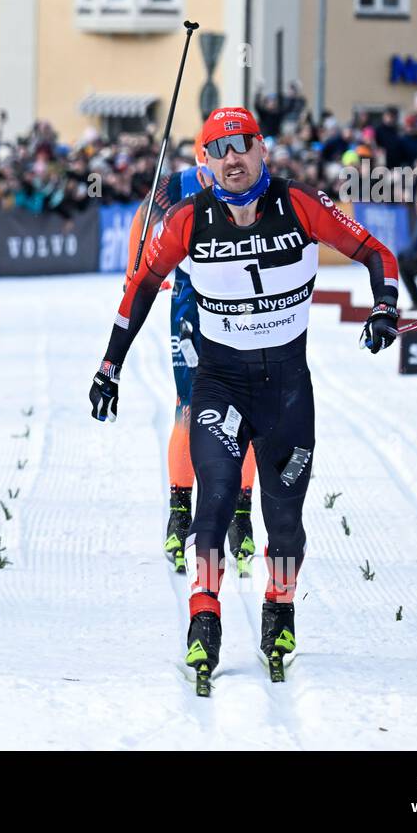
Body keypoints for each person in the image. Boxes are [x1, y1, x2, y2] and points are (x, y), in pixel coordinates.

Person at [89, 106, 400, 693]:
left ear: (262, 150)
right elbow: (142, 284)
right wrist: (111, 365)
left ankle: (278, 611)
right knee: (214, 504)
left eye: (242, 145)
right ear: (205, 161)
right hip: (220, 384)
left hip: (287, 393)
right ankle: (204, 619)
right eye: (218, 149)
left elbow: (376, 254)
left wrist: (384, 307)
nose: (232, 158)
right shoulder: (188, 219)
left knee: (285, 526)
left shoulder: (300, 204)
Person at [126, 154, 258, 578]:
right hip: (191, 304)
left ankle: (240, 515)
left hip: (243, 303)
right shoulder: (176, 186)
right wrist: (136, 271)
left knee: (245, 412)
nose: (224, 167)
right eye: (213, 159)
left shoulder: (256, 181)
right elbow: (143, 218)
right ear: (202, 160)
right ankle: (180, 514)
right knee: (189, 407)